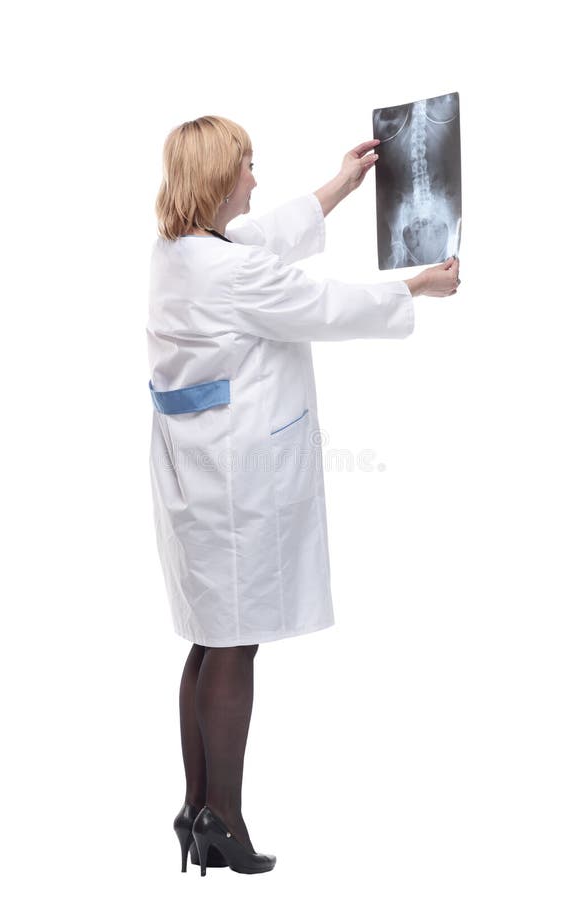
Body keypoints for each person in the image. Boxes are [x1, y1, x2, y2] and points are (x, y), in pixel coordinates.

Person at [146, 115, 460, 876]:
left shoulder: (178, 252)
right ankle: (224, 816)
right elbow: (318, 304)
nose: (255, 180)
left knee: (210, 634)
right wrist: (418, 283)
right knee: (234, 637)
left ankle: (195, 810)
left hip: (199, 472)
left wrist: (342, 186)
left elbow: (260, 242)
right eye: (246, 168)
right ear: (219, 180)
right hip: (237, 480)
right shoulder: (228, 274)